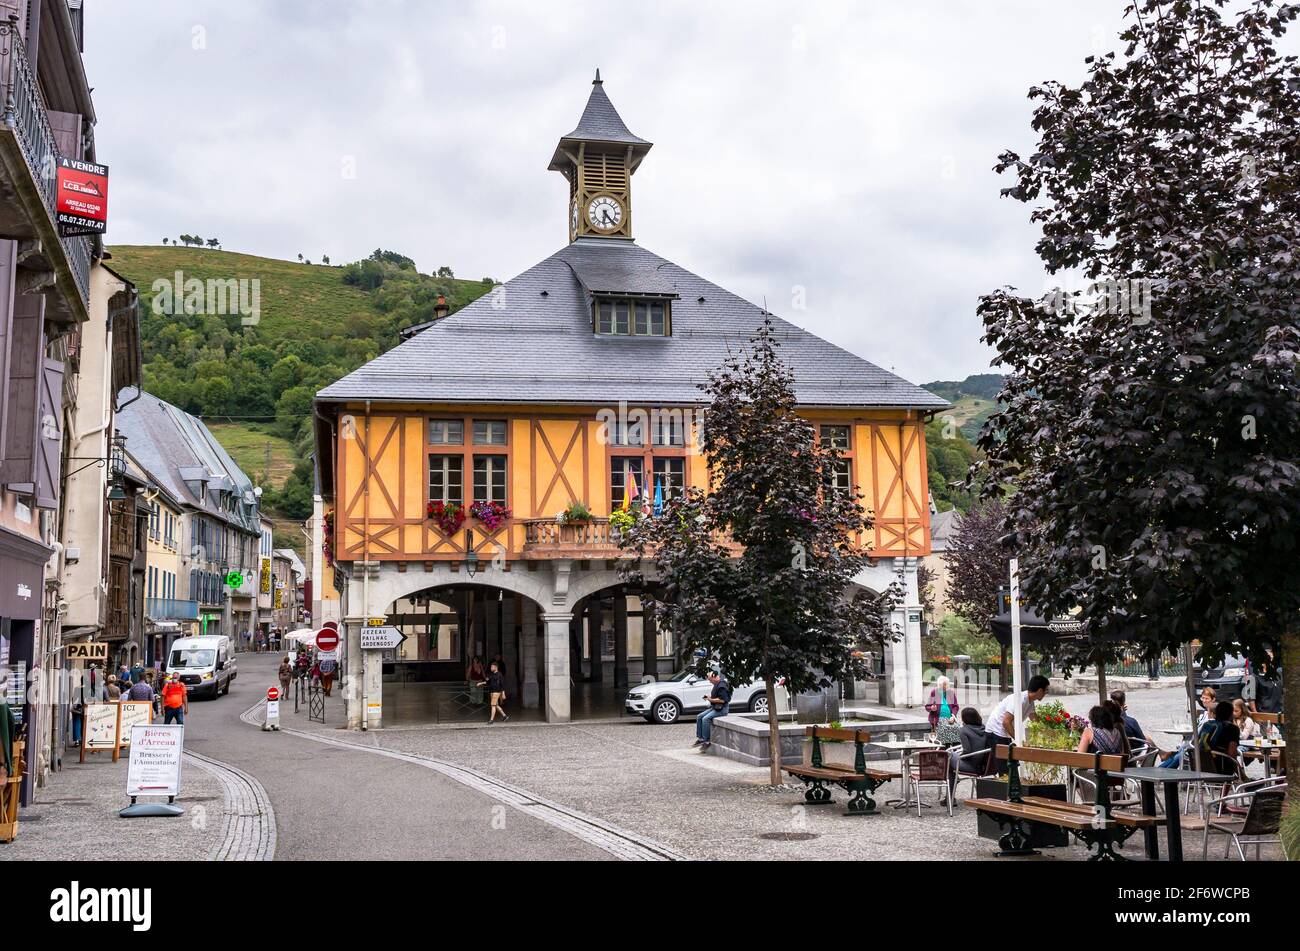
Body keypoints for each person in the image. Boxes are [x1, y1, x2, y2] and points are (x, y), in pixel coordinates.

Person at [949, 707, 995, 790]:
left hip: (972, 766)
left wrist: (961, 757)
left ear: (964, 719)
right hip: (984, 766)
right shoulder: (984, 728)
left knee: (950, 756)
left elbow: (967, 750)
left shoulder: (963, 730)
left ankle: (950, 796)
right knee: (953, 758)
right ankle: (954, 782)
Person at [1109, 689, 1164, 755]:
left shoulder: (1106, 721)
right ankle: (1161, 753)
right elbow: (1142, 740)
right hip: (1132, 754)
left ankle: (1162, 753)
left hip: (1113, 754)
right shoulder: (1130, 721)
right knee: (1147, 739)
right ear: (1123, 704)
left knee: (1147, 737)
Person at [692, 669, 731, 751]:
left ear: (714, 677)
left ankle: (706, 741)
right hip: (716, 707)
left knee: (705, 719)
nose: (710, 682)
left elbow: (723, 700)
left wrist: (710, 699)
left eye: (710, 680)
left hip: (722, 709)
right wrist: (709, 697)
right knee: (699, 716)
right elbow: (716, 697)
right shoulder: (717, 684)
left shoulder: (721, 686)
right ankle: (701, 739)